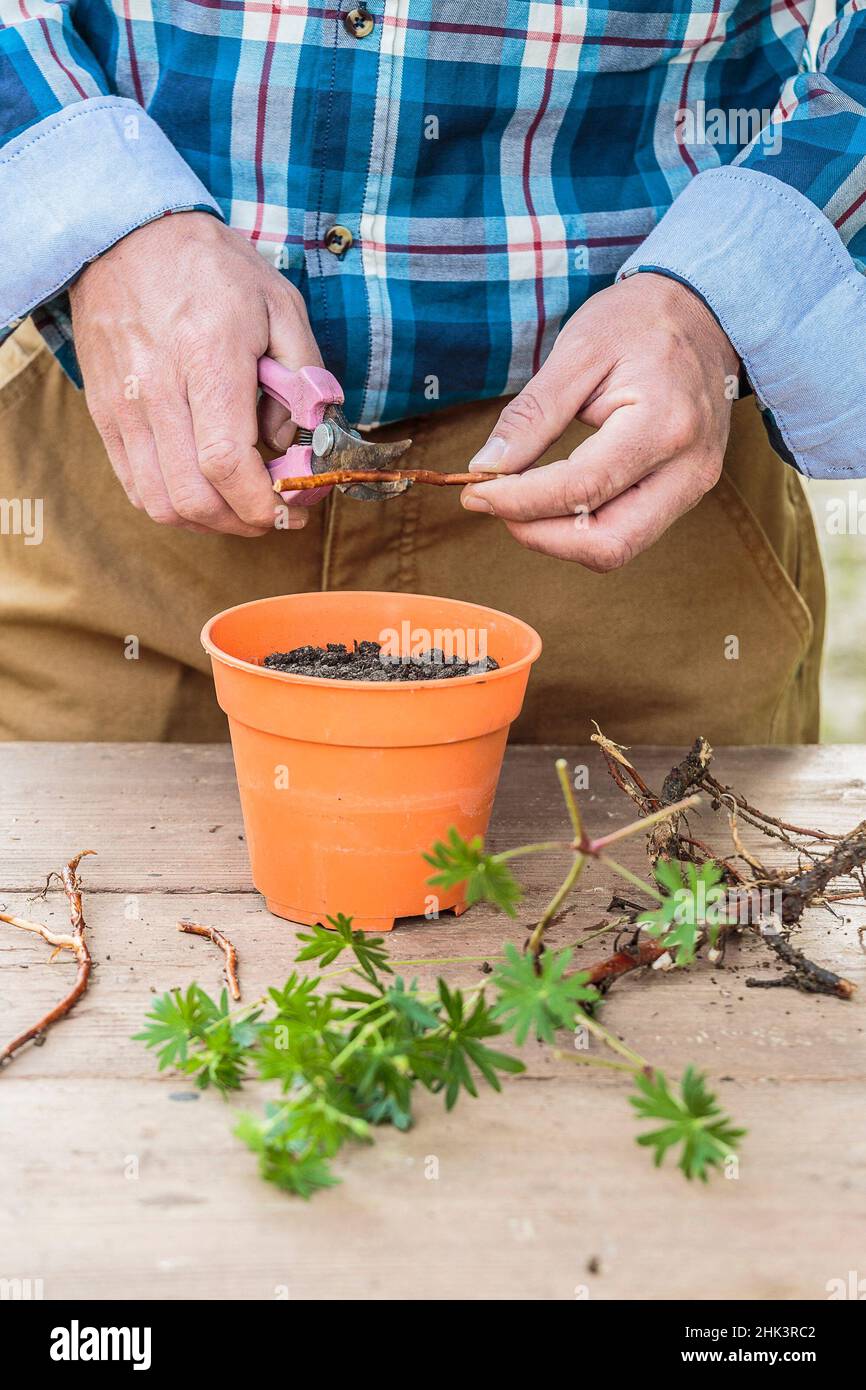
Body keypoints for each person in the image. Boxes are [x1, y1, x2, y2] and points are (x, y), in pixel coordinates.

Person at [1, 3, 863, 744]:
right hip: (127, 480)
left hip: (633, 488)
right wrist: (102, 217)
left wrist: (722, 290)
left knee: (671, 922)